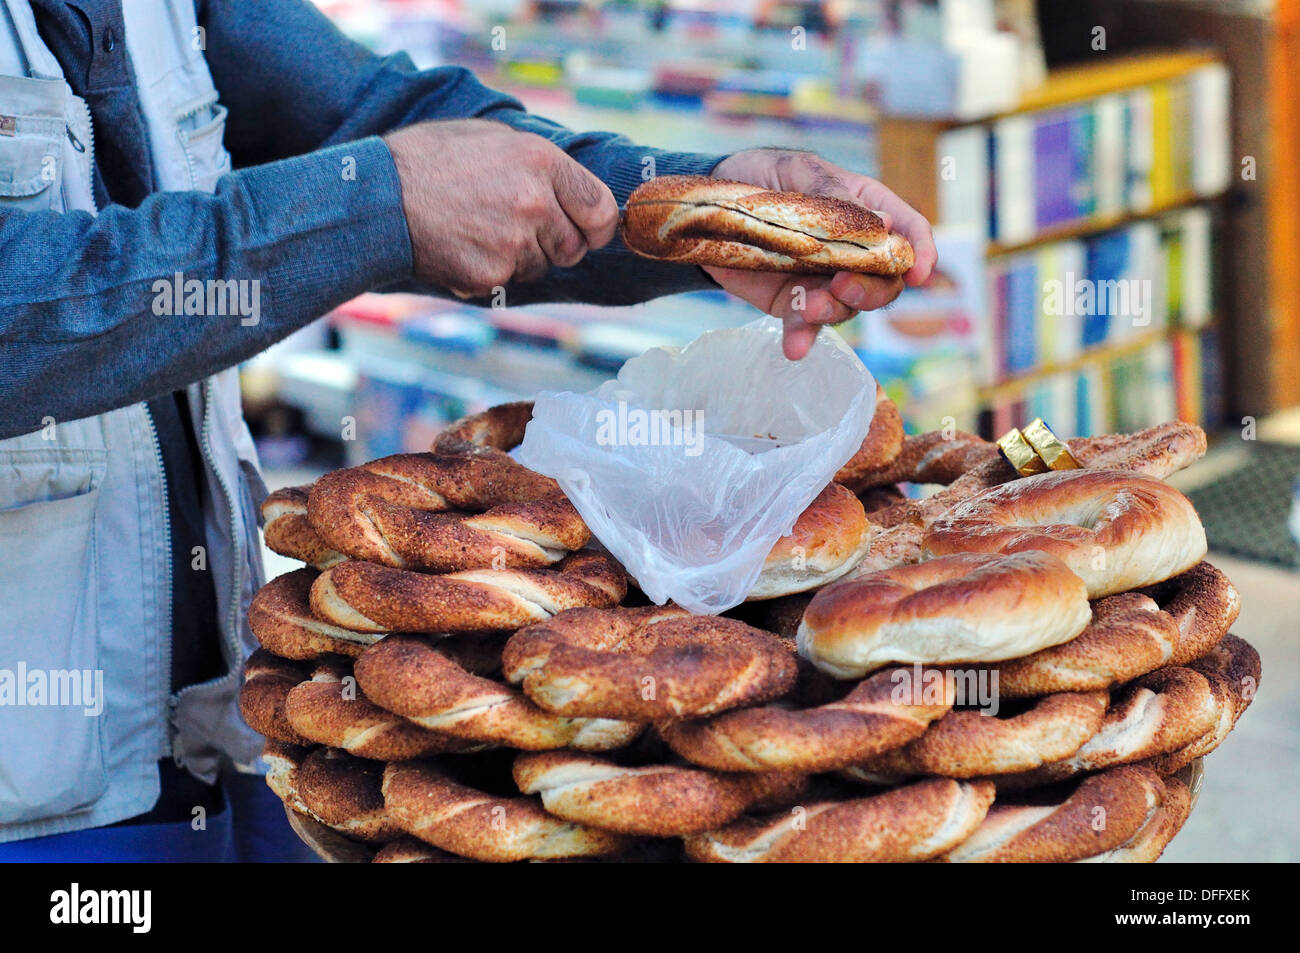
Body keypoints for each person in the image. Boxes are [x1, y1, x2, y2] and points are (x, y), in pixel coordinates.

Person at [0, 0, 935, 860]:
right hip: (32, 799)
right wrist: (380, 202)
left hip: (229, 731)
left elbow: (372, 115)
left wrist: (703, 203)